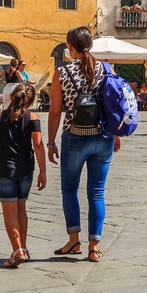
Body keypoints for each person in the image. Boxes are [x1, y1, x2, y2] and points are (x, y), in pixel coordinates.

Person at [48, 26, 121, 262]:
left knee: (69, 190)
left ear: (70, 47)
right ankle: (94, 246)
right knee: (97, 193)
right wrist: (116, 134)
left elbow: (55, 110)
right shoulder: (105, 68)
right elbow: (113, 103)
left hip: (75, 136)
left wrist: (50, 141)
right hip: (103, 137)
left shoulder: (62, 72)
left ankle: (73, 241)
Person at [0, 83, 46, 268]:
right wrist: (43, 171)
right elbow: (38, 144)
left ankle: (17, 250)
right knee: (21, 208)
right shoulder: (33, 117)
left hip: (5, 169)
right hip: (26, 169)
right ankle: (24, 247)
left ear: (12, 96)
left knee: (9, 211)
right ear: (29, 101)